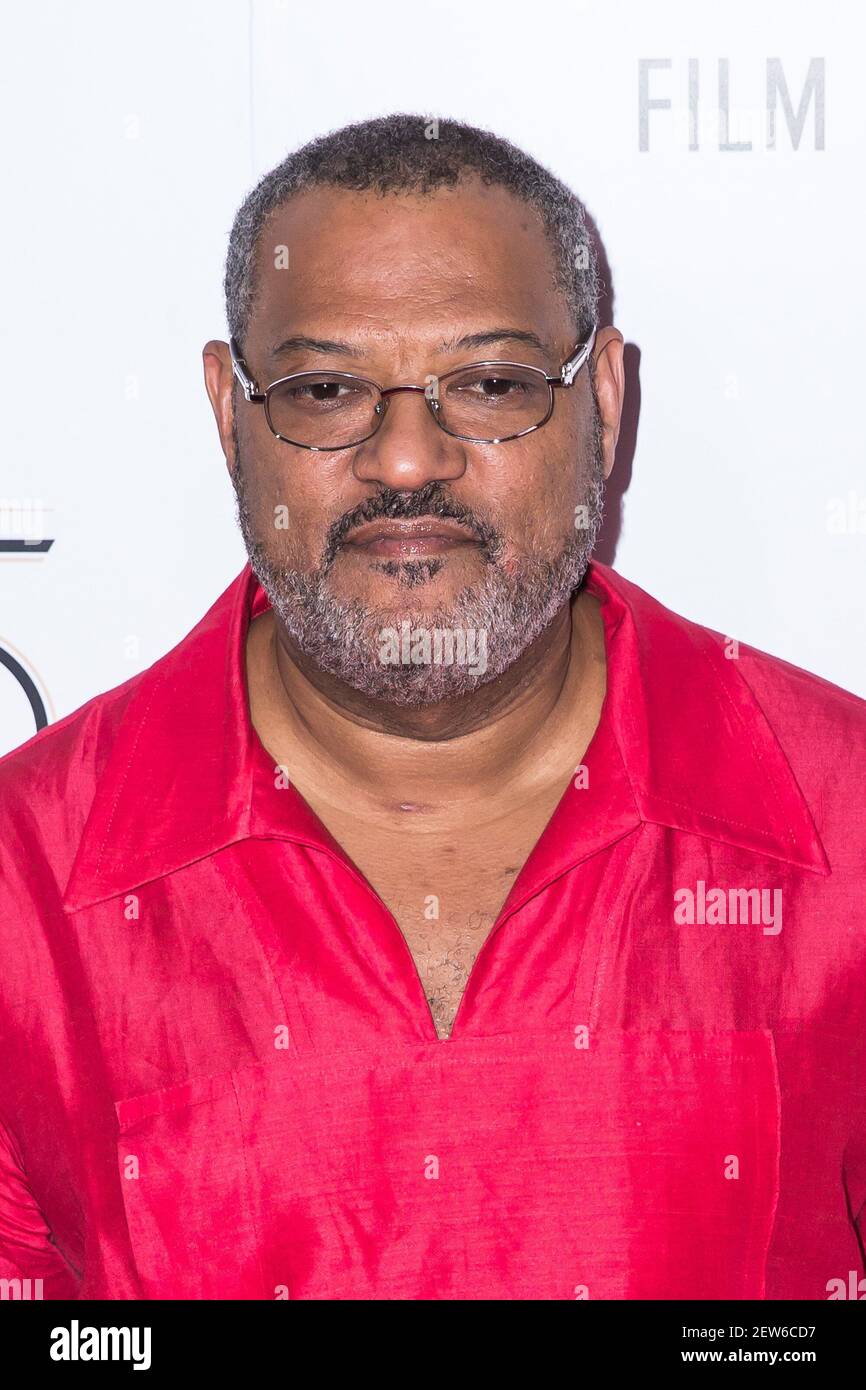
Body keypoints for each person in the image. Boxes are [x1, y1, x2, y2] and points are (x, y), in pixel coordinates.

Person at [1, 113, 864, 1301]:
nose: (406, 460)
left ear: (603, 399)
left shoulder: (844, 827)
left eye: (491, 383)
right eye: (323, 389)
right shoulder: (25, 885)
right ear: (226, 410)